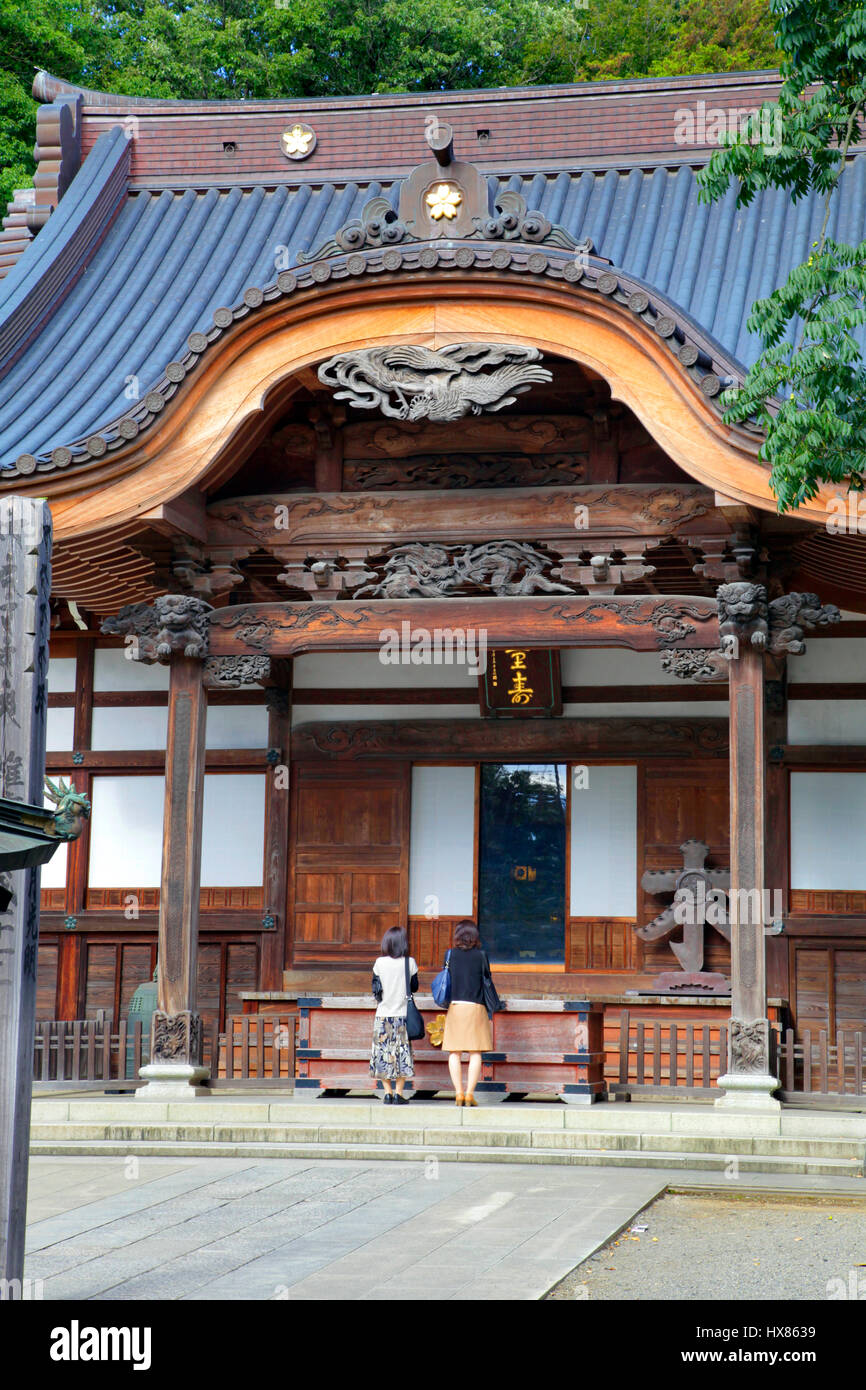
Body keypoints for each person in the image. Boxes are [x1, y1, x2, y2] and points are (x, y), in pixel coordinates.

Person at [442, 918, 496, 1106]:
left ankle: (458, 1093)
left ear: (457, 935)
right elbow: (487, 979)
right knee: (475, 1053)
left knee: (454, 1053)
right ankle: (470, 1094)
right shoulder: (481, 956)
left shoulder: (450, 955)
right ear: (475, 936)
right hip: (476, 1007)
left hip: (456, 1007)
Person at [370, 926, 418, 1104]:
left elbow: (376, 991)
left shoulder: (379, 963)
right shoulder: (410, 962)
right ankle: (399, 1093)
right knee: (402, 1055)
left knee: (382, 1054)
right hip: (403, 1015)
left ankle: (387, 1093)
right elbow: (414, 987)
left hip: (382, 1015)